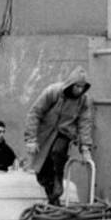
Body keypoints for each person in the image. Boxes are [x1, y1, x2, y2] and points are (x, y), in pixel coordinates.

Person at [21, 67, 95, 204]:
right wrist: (31, 139)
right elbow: (34, 113)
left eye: (82, 87)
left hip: (65, 133)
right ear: (71, 84)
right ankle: (53, 199)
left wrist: (85, 148)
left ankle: (58, 182)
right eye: (77, 86)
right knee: (42, 170)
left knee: (57, 152)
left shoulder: (83, 101)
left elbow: (85, 123)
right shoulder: (53, 92)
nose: (79, 90)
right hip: (45, 134)